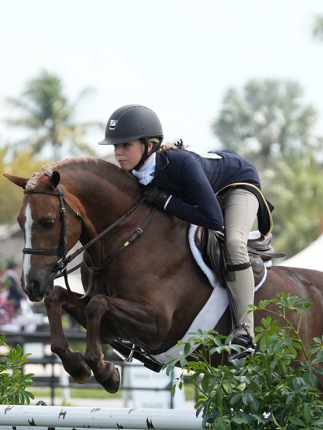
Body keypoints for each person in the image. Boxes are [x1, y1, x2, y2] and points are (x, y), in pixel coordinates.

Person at [99, 104, 272, 357]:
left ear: (150, 145)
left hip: (236, 185)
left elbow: (213, 219)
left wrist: (168, 202)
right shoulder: (133, 173)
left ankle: (244, 333)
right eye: (115, 146)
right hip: (203, 196)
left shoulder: (180, 163)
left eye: (126, 145)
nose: (118, 153)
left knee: (234, 243)